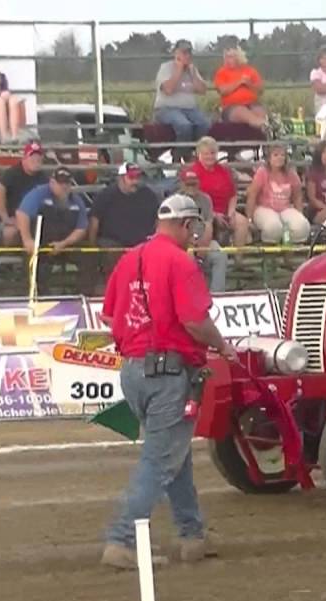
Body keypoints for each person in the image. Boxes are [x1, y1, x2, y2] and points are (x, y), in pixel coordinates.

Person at [99, 193, 236, 569]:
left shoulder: (129, 259)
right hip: (168, 373)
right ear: (187, 224)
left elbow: (110, 317)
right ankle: (122, 540)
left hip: (134, 369)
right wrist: (222, 345)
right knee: (160, 460)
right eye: (194, 226)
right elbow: (195, 321)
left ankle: (192, 535)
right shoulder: (180, 263)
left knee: (174, 454)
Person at [16, 166, 92, 296]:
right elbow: (22, 213)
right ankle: (38, 294)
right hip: (41, 240)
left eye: (67, 183)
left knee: (90, 256)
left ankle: (84, 294)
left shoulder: (76, 200)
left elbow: (81, 228)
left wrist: (64, 244)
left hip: (66, 243)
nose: (64, 186)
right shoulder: (39, 193)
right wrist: (27, 239)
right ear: (52, 182)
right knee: (33, 260)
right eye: (60, 182)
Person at [89, 162, 162, 279]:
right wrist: (92, 246)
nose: (135, 182)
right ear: (120, 178)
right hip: (114, 243)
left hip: (143, 242)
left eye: (138, 178)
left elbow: (158, 220)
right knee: (112, 252)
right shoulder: (106, 195)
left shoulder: (148, 195)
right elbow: (94, 220)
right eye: (131, 178)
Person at [190, 136, 251, 247]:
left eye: (212, 153)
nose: (209, 156)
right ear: (198, 154)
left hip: (225, 211)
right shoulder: (193, 173)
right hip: (203, 214)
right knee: (207, 226)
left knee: (242, 222)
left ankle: (238, 259)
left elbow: (233, 194)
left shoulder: (223, 170)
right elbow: (194, 200)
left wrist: (231, 212)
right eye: (205, 153)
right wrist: (213, 215)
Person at [246, 144, 310, 244]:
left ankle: (291, 253)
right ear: (269, 158)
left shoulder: (291, 174)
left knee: (300, 225)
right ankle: (270, 254)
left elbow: (297, 197)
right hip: (264, 207)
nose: (279, 157)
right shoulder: (262, 172)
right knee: (273, 227)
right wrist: (249, 219)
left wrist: (299, 213)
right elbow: (252, 195)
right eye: (276, 155)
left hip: (285, 208)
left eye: (282, 155)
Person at [154, 39, 210, 153]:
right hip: (167, 108)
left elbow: (202, 90)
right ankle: (180, 156)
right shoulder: (166, 68)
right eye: (183, 53)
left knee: (204, 124)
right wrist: (179, 69)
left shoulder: (192, 69)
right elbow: (168, 89)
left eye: (188, 53)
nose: (187, 56)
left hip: (190, 109)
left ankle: (197, 153)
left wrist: (193, 73)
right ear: (176, 53)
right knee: (184, 125)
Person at [178, 168, 229, 292]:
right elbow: (176, 229)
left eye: (194, 183)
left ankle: (217, 295)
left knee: (219, 255)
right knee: (186, 259)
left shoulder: (205, 199)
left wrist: (202, 247)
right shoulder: (176, 201)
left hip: (202, 239)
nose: (191, 187)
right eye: (188, 184)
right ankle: (187, 295)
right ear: (181, 184)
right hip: (181, 242)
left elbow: (208, 225)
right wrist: (190, 245)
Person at [0, 141, 49, 246]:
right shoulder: (11, 174)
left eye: (38, 157)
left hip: (35, 220)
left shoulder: (44, 177)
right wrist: (5, 218)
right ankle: (10, 259)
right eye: (32, 157)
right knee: (9, 233)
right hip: (13, 219)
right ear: (24, 158)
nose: (36, 160)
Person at [212, 47, 266, 128]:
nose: (227, 60)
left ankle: (264, 126)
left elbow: (260, 90)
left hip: (252, 104)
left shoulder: (250, 70)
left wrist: (249, 84)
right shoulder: (222, 72)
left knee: (259, 112)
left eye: (231, 57)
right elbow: (222, 91)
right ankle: (263, 125)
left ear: (238, 58)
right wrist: (239, 82)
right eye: (226, 57)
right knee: (243, 112)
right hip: (231, 107)